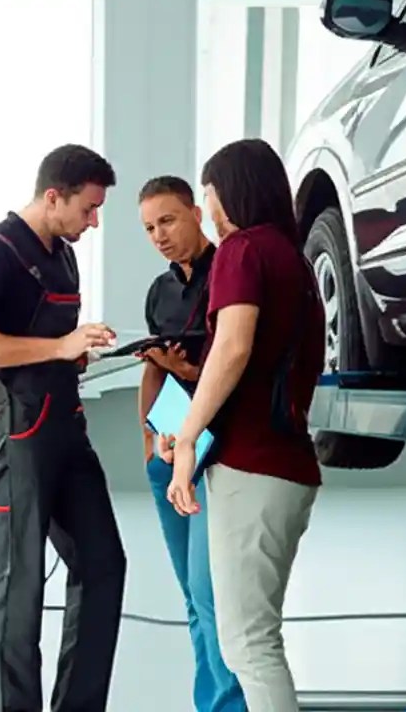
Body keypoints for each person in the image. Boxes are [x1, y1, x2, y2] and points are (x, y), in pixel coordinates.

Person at [0, 143, 128, 712]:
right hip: (16, 433)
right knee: (20, 585)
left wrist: (74, 355)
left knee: (103, 562)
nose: (94, 221)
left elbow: (46, 346)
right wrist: (57, 345)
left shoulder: (62, 254)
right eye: (89, 209)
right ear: (54, 196)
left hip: (66, 428)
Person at [168, 139, 324, 712]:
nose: (208, 209)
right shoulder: (295, 259)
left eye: (208, 195)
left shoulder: (242, 250)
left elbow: (232, 349)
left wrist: (186, 437)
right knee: (253, 640)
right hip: (285, 466)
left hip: (252, 467)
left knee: (249, 646)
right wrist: (186, 424)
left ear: (230, 192)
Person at [136, 175, 247, 712]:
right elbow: (154, 372)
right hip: (169, 447)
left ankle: (229, 706)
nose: (159, 234)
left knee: (210, 596)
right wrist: (148, 439)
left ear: (196, 214)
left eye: (169, 220)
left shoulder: (229, 270)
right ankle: (211, 703)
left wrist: (185, 365)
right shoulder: (159, 292)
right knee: (190, 596)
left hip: (219, 446)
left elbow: (233, 364)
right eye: (149, 227)